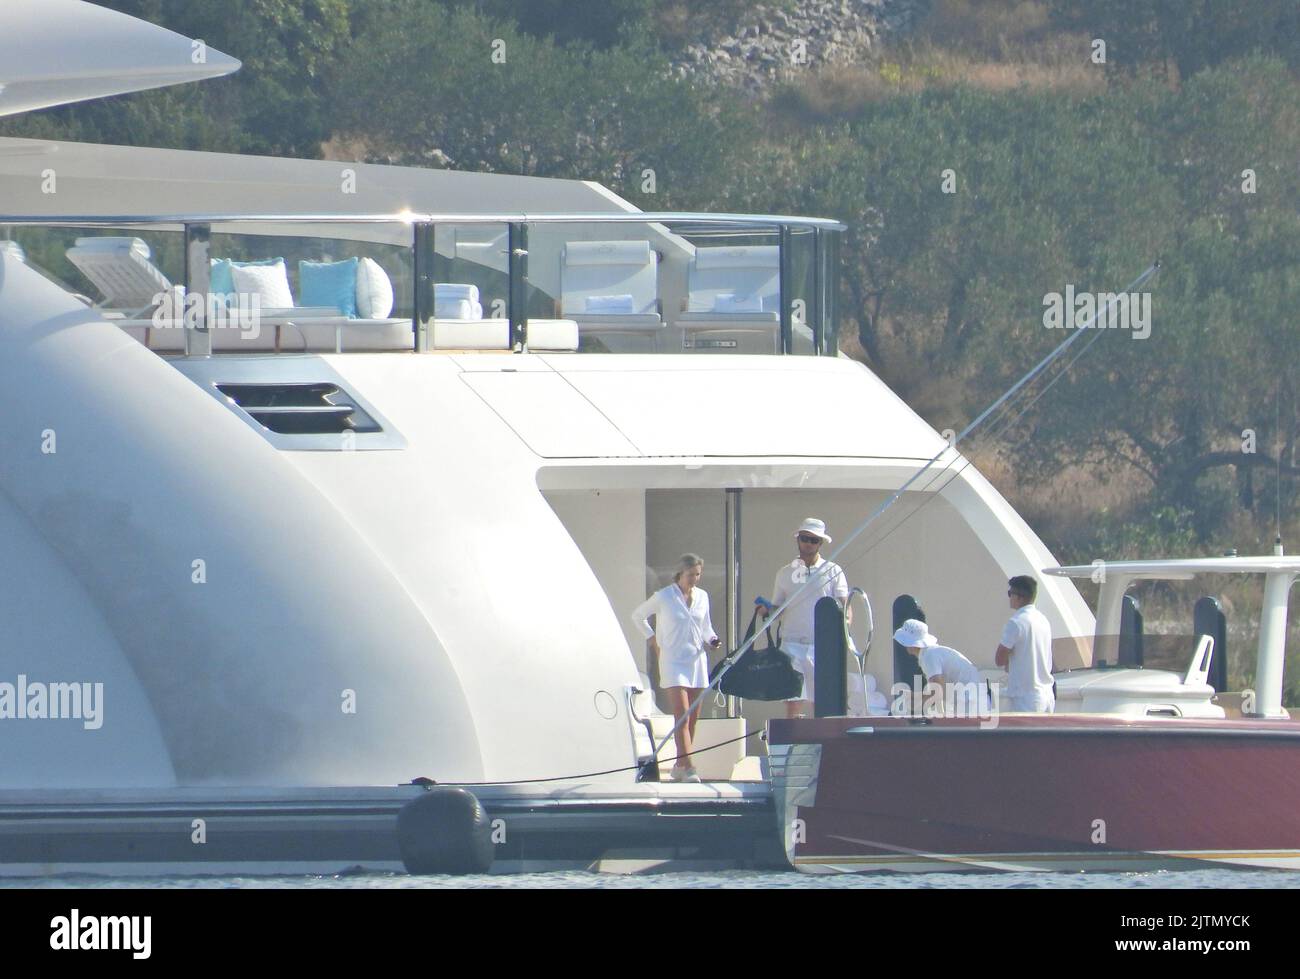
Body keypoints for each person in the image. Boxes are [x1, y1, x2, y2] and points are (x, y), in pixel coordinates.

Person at [630, 553, 722, 782]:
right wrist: (652, 639)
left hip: (696, 660)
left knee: (693, 716)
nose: (694, 579)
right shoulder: (664, 596)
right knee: (682, 714)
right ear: (680, 573)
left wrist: (712, 640)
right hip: (672, 659)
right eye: (691, 575)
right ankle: (689, 766)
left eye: (698, 575)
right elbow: (638, 616)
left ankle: (680, 763)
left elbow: (706, 626)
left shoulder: (702, 597)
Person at [759, 518, 849, 718]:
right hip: (791, 643)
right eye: (804, 538)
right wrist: (766, 611)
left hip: (822, 646)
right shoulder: (784, 573)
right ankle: (791, 744)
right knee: (793, 700)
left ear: (821, 543)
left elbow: (844, 606)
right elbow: (778, 607)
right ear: (798, 540)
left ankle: (820, 746)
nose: (808, 543)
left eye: (813, 540)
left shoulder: (833, 570)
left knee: (822, 701)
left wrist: (845, 627)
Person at [893, 618, 983, 717]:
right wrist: (915, 697)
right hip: (971, 702)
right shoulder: (931, 653)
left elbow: (936, 692)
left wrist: (916, 703)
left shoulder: (929, 656)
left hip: (970, 705)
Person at [995, 574, 1054, 712]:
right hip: (1047, 695)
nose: (1009, 597)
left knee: (1022, 734)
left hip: (1026, 698)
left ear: (1019, 597)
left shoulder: (1015, 622)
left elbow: (999, 659)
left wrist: (1010, 661)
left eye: (1010, 593)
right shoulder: (1043, 620)